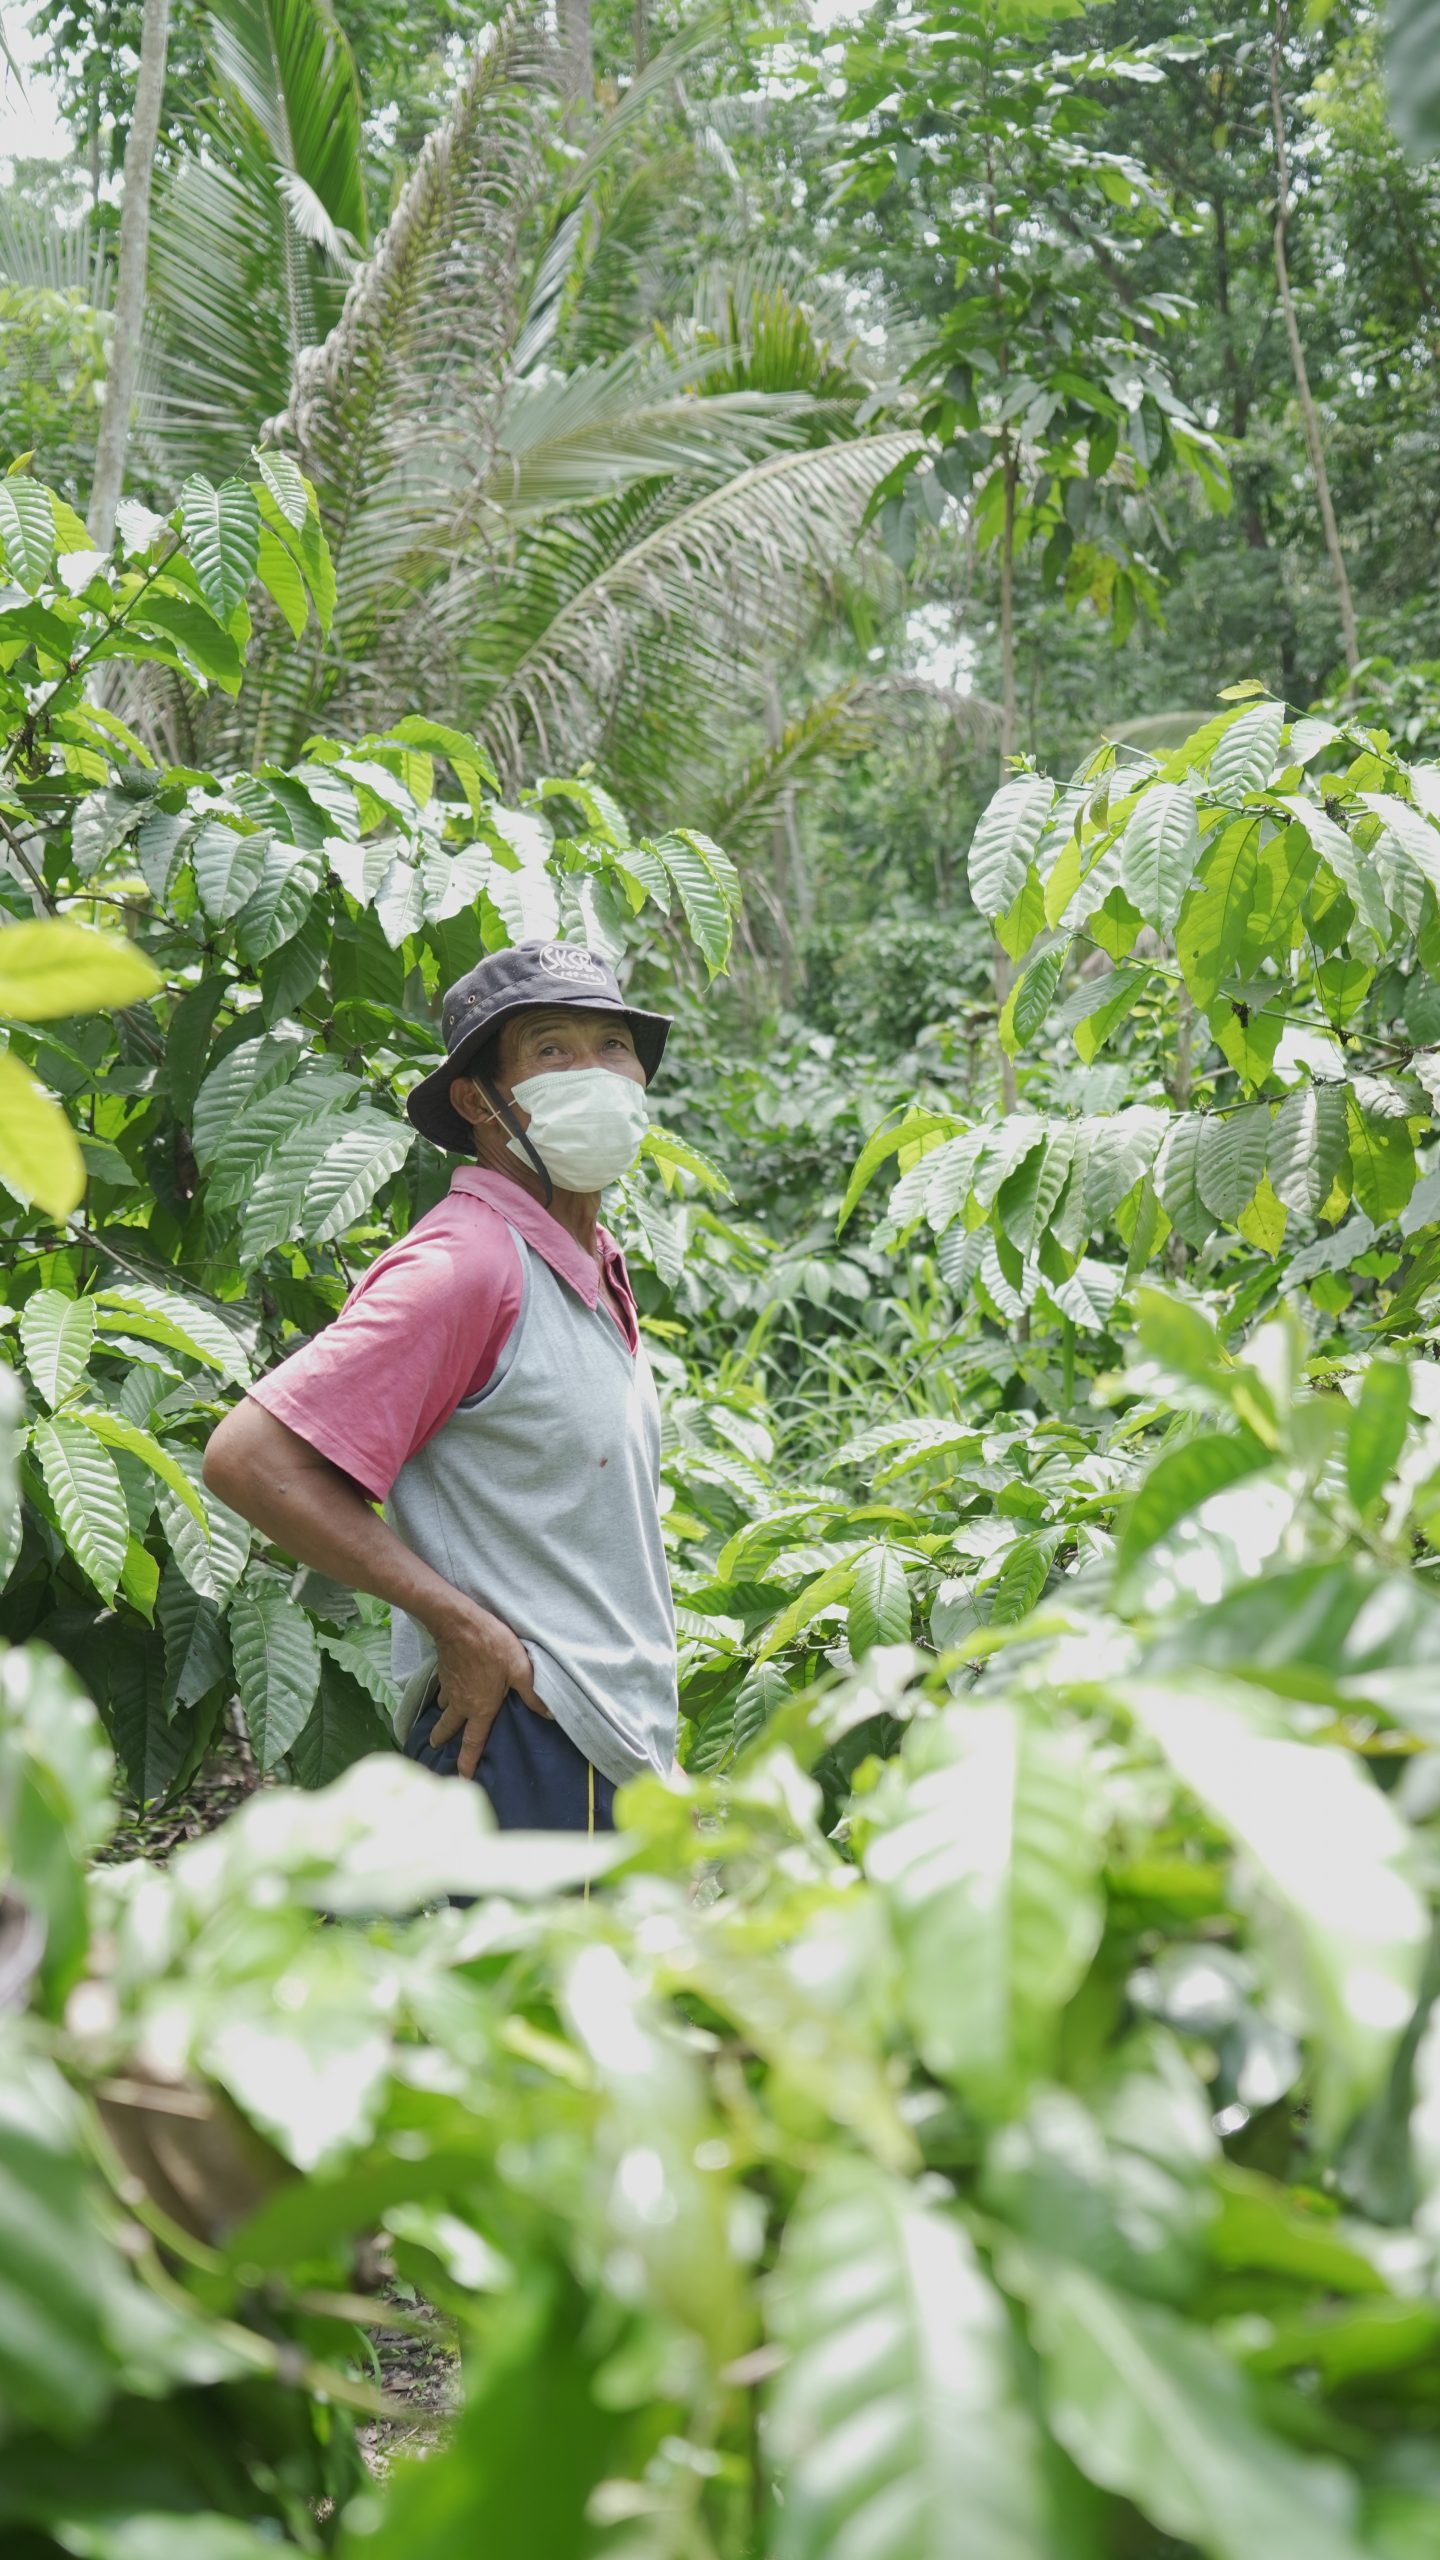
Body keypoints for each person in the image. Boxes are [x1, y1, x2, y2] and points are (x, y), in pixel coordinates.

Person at [203, 938, 678, 1833]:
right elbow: (249, 1460)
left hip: (609, 1742)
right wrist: (458, 1624)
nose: (596, 1074)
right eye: (550, 1051)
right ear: (478, 1102)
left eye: (611, 1046)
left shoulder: (585, 1259)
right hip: (535, 1734)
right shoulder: (467, 1263)